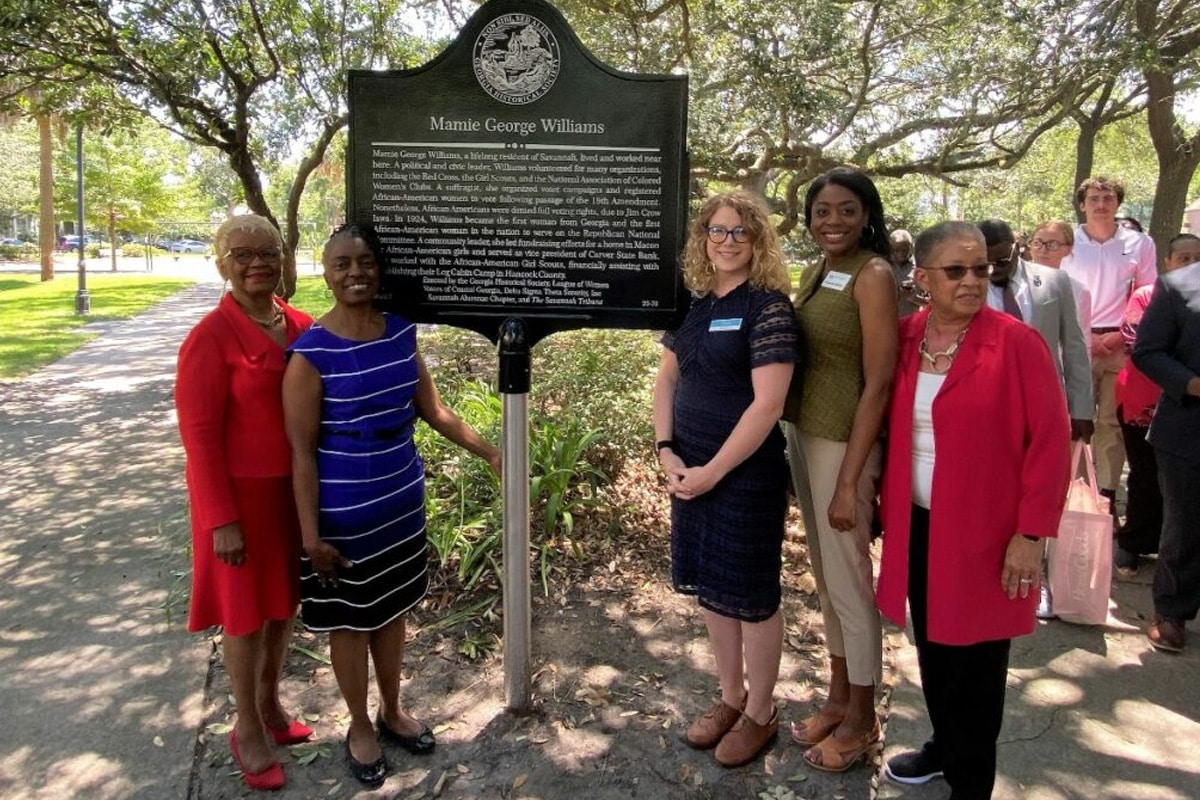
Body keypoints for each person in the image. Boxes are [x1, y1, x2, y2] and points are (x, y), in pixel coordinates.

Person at [282, 224, 501, 787]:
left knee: (393, 612)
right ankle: (358, 725)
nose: (356, 273)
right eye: (341, 264)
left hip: (401, 503)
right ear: (324, 273)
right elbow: (301, 455)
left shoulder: (402, 334)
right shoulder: (309, 354)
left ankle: (393, 709)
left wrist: (492, 452)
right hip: (342, 516)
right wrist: (311, 538)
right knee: (352, 624)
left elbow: (435, 410)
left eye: (365, 262)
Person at [877, 221, 1070, 798]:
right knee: (934, 648)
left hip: (988, 534)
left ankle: (971, 781)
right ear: (923, 277)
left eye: (981, 269)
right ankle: (944, 745)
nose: (971, 280)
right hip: (918, 524)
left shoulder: (1016, 342)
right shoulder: (906, 337)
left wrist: (1031, 535)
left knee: (978, 669)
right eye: (955, 270)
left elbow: (1051, 443)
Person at [652, 190, 798, 768]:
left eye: (739, 231)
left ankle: (762, 712)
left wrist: (713, 471)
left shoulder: (769, 308)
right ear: (702, 237)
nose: (727, 240)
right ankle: (730, 698)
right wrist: (667, 452)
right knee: (714, 589)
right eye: (717, 230)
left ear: (757, 239)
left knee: (752, 597)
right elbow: (668, 379)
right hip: (689, 471)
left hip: (744, 477)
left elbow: (768, 404)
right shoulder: (693, 306)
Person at [175, 214, 314, 791]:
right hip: (239, 505)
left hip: (294, 497)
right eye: (242, 253)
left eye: (268, 251)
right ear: (221, 264)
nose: (257, 262)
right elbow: (199, 438)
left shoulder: (303, 326)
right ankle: (246, 726)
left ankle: (271, 704)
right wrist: (220, 520)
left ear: (283, 258)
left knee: (283, 608)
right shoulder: (209, 338)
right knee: (244, 617)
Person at [783, 167, 896, 772]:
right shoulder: (820, 269)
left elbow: (879, 381)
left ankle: (863, 716)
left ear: (867, 213)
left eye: (846, 210)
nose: (833, 221)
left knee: (850, 577)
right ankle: (836, 695)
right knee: (825, 573)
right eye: (822, 210)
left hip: (844, 443)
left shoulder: (875, 274)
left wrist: (851, 480)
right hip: (804, 432)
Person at [1062, 177, 1157, 514]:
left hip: (1119, 342)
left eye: (1108, 198)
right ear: (1082, 204)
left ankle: (1104, 495)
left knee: (1111, 425)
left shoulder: (1140, 243)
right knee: (1075, 419)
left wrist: (1120, 333)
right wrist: (1084, 335)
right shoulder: (1066, 241)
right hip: (1075, 341)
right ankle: (1074, 494)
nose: (1101, 204)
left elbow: (1147, 293)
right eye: (1093, 198)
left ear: (1118, 203)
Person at [1114, 235, 1200, 577]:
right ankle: (1133, 545)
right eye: (1184, 257)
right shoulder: (1150, 294)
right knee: (1146, 477)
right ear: (1168, 261)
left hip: (1180, 405)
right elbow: (1138, 343)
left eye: (1198, 256)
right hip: (1144, 399)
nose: (1191, 263)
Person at [1131, 243, 1200, 654]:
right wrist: (1193, 385)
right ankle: (1172, 612)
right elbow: (1148, 352)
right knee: (1186, 524)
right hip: (1188, 428)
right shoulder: (1177, 286)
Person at [1028, 219, 1093, 340]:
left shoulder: (1078, 291)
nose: (1043, 250)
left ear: (1068, 249)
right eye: (1037, 243)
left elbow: (1083, 339)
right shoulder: (1012, 284)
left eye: (1052, 244)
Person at [890, 228, 924, 316]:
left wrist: (912, 297)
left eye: (904, 250)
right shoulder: (882, 265)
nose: (901, 254)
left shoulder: (922, 267)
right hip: (886, 324)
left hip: (912, 324)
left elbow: (934, 305)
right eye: (897, 250)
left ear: (911, 247)